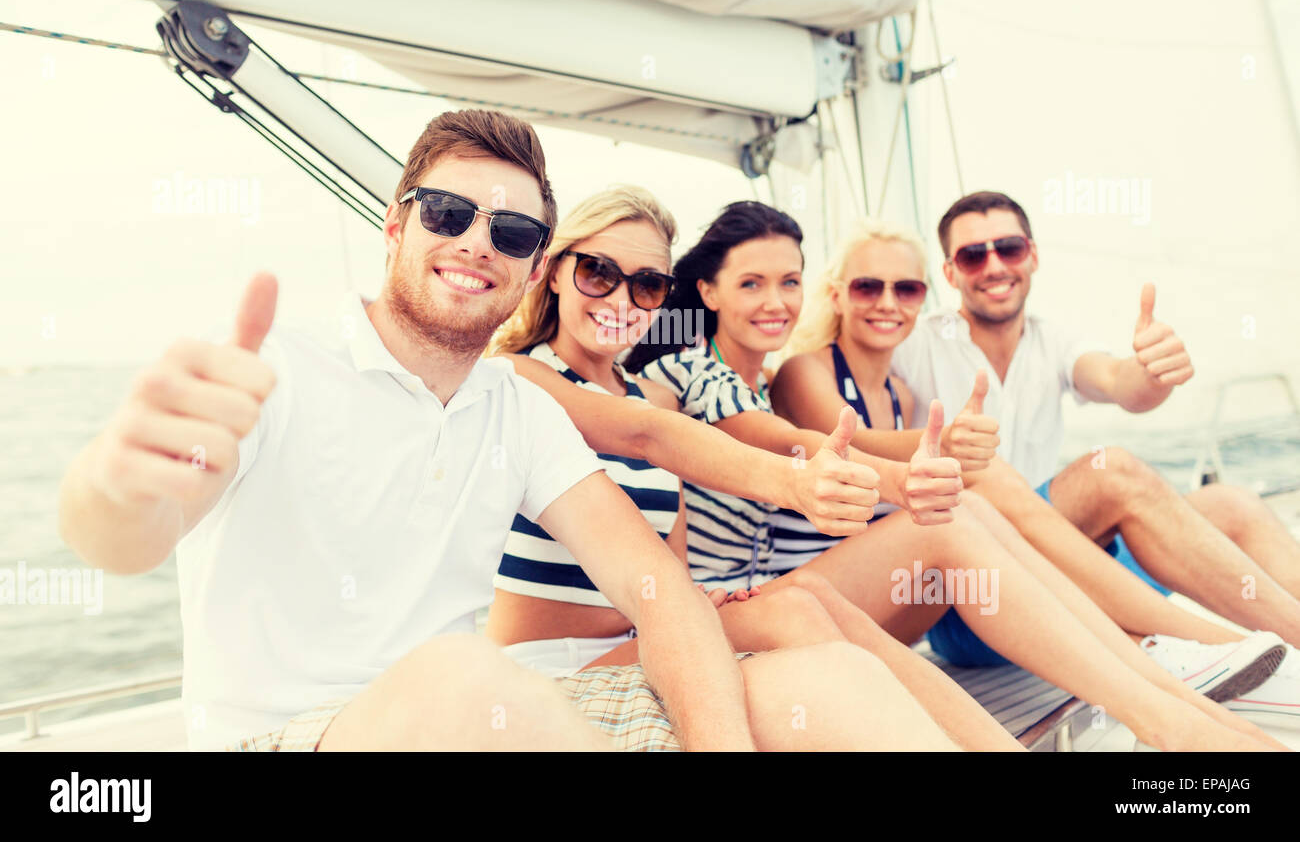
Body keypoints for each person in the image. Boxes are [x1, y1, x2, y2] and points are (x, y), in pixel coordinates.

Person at [55, 109, 940, 753]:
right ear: (397, 224)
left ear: (529, 271)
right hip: (297, 738)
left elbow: (659, 590)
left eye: (512, 231)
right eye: (448, 213)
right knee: (460, 680)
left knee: (829, 685)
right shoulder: (276, 367)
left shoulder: (516, 408)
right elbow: (125, 535)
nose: (479, 241)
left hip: (491, 718)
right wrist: (116, 480)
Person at [617, 200, 1281, 751]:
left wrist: (1145, 378)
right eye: (752, 283)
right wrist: (925, 461)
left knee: (987, 497)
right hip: (757, 603)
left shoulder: (769, 379)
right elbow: (791, 444)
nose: (776, 300)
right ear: (705, 290)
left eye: (788, 281)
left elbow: (1117, 383)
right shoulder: (697, 373)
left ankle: (1163, 672)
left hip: (830, 595)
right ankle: (1172, 672)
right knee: (970, 495)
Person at [488, 184, 1027, 750]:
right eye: (598, 273)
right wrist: (815, 482)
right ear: (551, 272)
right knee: (795, 611)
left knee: (804, 602)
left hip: (648, 646)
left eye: (647, 285)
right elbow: (645, 436)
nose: (622, 300)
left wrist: (701, 601)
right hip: (547, 670)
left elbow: (669, 563)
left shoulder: (656, 396)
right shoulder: (520, 379)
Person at [771, 222, 1294, 715]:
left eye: (906, 289)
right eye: (867, 287)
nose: (888, 303)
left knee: (1230, 502)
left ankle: (1268, 637)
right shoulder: (822, 369)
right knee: (1067, 474)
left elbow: (1119, 382)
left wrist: (1154, 374)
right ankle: (1187, 640)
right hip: (950, 596)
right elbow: (854, 444)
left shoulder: (905, 386)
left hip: (1037, 561)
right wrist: (945, 442)